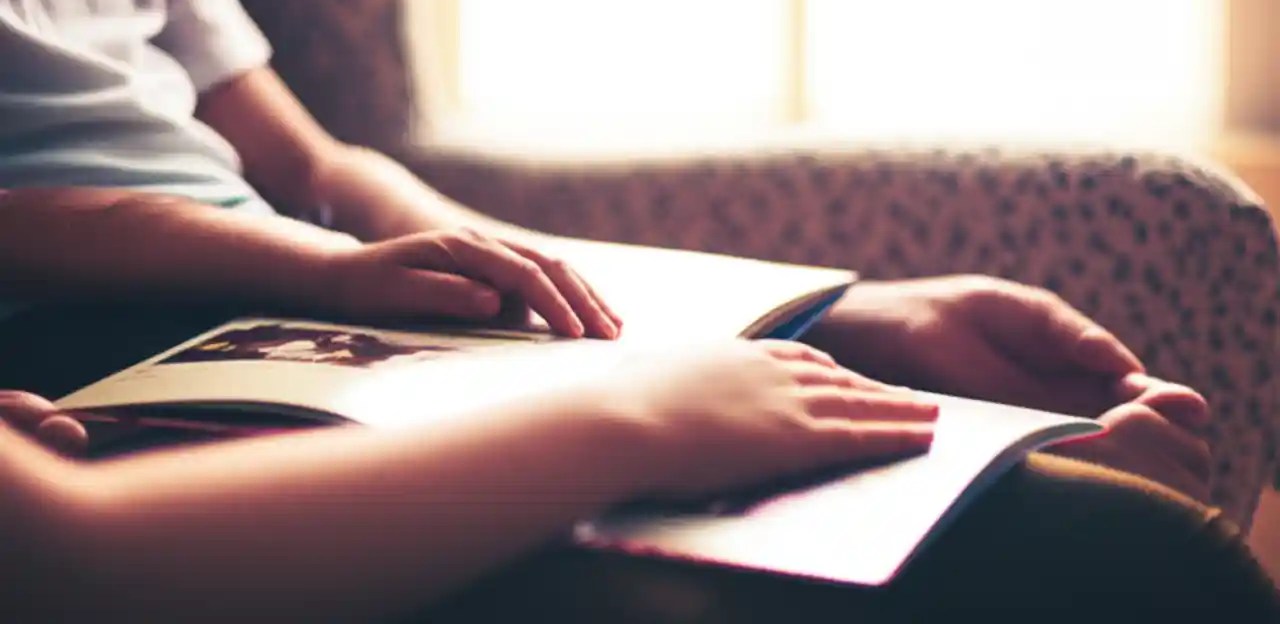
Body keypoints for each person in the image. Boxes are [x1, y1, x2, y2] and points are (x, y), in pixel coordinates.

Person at [0, 0, 1211, 503]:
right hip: (88, 323)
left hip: (270, 279)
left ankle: (1006, 467)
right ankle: (1024, 498)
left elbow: (312, 165)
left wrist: (833, 311)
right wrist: (305, 271)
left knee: (649, 383)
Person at [1, 341, 1276, 622]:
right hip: (118, 372)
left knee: (1132, 553)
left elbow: (317, 163)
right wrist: (631, 423)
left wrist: (864, 309)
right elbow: (66, 559)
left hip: (271, 311)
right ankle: (954, 484)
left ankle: (966, 467)